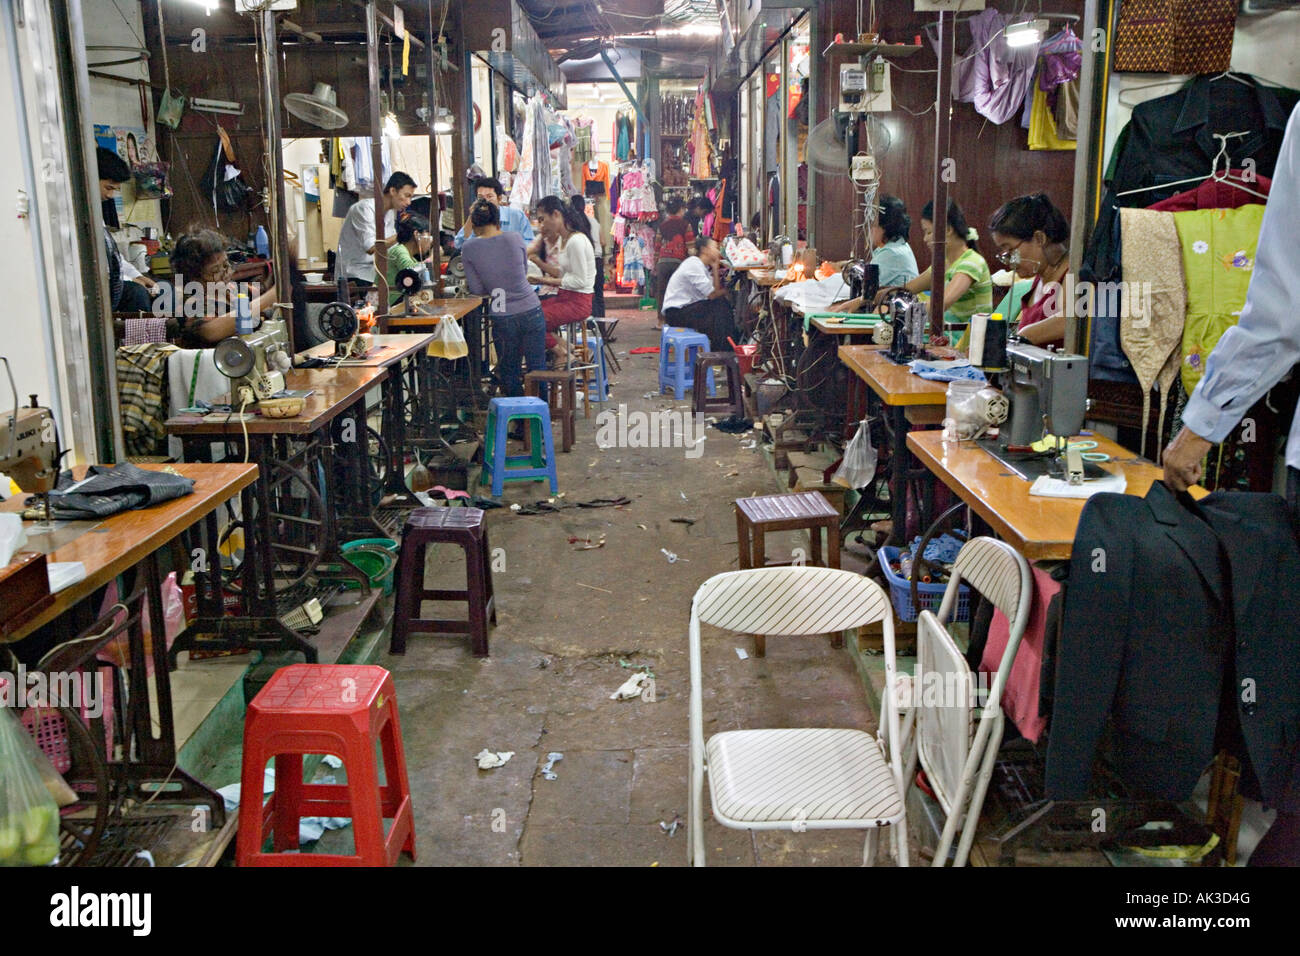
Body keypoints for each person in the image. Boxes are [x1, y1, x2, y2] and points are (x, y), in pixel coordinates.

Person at [459, 199, 545, 399]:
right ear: (498, 221)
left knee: (509, 372)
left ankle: (519, 420)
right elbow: (523, 271)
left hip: (501, 313)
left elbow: (477, 289)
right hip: (531, 308)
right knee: (538, 369)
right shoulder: (515, 238)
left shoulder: (469, 248)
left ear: (475, 224)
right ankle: (539, 423)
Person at [988, 193, 1071, 348]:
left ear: (1040, 238)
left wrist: (1022, 336)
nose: (1009, 261)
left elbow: (1071, 320)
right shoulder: (1040, 276)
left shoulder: (1073, 274)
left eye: (1011, 250)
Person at [168, 229, 278, 345]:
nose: (225, 272)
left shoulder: (230, 288)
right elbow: (210, 331)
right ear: (193, 277)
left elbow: (262, 293)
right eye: (215, 270)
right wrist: (270, 296)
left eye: (226, 264)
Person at [904, 198, 991, 338]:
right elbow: (907, 289)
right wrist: (865, 299)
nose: (925, 239)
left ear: (948, 230)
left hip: (966, 342)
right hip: (949, 335)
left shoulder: (972, 262)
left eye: (928, 232)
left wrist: (902, 313)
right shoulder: (943, 263)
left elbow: (940, 305)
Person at [530, 195, 596, 361]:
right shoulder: (564, 240)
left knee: (532, 322)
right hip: (565, 297)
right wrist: (540, 266)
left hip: (578, 302)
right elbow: (563, 273)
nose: (542, 225)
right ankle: (567, 348)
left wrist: (543, 280)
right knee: (529, 313)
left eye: (543, 219)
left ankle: (564, 354)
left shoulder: (576, 241)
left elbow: (579, 281)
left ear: (556, 215)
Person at [833, 195, 919, 313]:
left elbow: (867, 289)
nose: (869, 229)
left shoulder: (892, 254)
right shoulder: (897, 246)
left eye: (872, 225)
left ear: (884, 227)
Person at [96, 147, 157, 312]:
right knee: (136, 294)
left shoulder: (98, 216)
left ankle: (166, 337)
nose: (111, 196)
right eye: (108, 188)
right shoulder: (81, 219)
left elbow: (114, 258)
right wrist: (129, 279)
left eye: (115, 190)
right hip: (102, 287)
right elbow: (103, 269)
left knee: (163, 289)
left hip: (118, 279)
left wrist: (137, 275)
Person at [336, 171, 416, 288]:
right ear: (393, 191)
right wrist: (400, 236)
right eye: (407, 195)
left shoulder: (389, 214)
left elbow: (392, 249)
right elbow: (371, 247)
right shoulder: (363, 209)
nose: (409, 202)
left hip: (373, 273)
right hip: (354, 275)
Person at [661, 236, 734, 351]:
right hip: (676, 313)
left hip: (685, 310)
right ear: (705, 250)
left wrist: (715, 268)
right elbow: (712, 295)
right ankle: (721, 351)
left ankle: (723, 349)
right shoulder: (693, 264)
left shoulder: (702, 267)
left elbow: (713, 291)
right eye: (715, 248)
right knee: (720, 306)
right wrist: (728, 292)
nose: (718, 251)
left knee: (720, 308)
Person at [454, 177, 534, 248]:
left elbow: (529, 242)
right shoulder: (477, 219)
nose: (485, 201)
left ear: (499, 198)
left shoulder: (517, 216)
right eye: (481, 198)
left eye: (489, 196)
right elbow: (459, 244)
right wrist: (471, 216)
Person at [654, 197, 694, 327]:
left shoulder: (662, 225)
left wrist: (655, 264)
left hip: (663, 262)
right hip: (678, 262)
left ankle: (661, 321)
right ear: (681, 209)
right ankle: (677, 321)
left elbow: (657, 246)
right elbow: (690, 247)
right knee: (678, 291)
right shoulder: (685, 225)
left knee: (662, 292)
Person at [386, 213, 433, 307]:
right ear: (416, 235)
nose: (430, 241)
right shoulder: (399, 250)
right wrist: (432, 258)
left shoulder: (410, 256)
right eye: (428, 235)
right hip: (390, 305)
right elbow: (412, 272)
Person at [571, 194, 605, 318]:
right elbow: (603, 242)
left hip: (585, 262)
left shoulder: (573, 223)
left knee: (587, 295)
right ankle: (602, 331)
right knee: (599, 296)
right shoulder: (594, 221)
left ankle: (589, 329)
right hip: (598, 260)